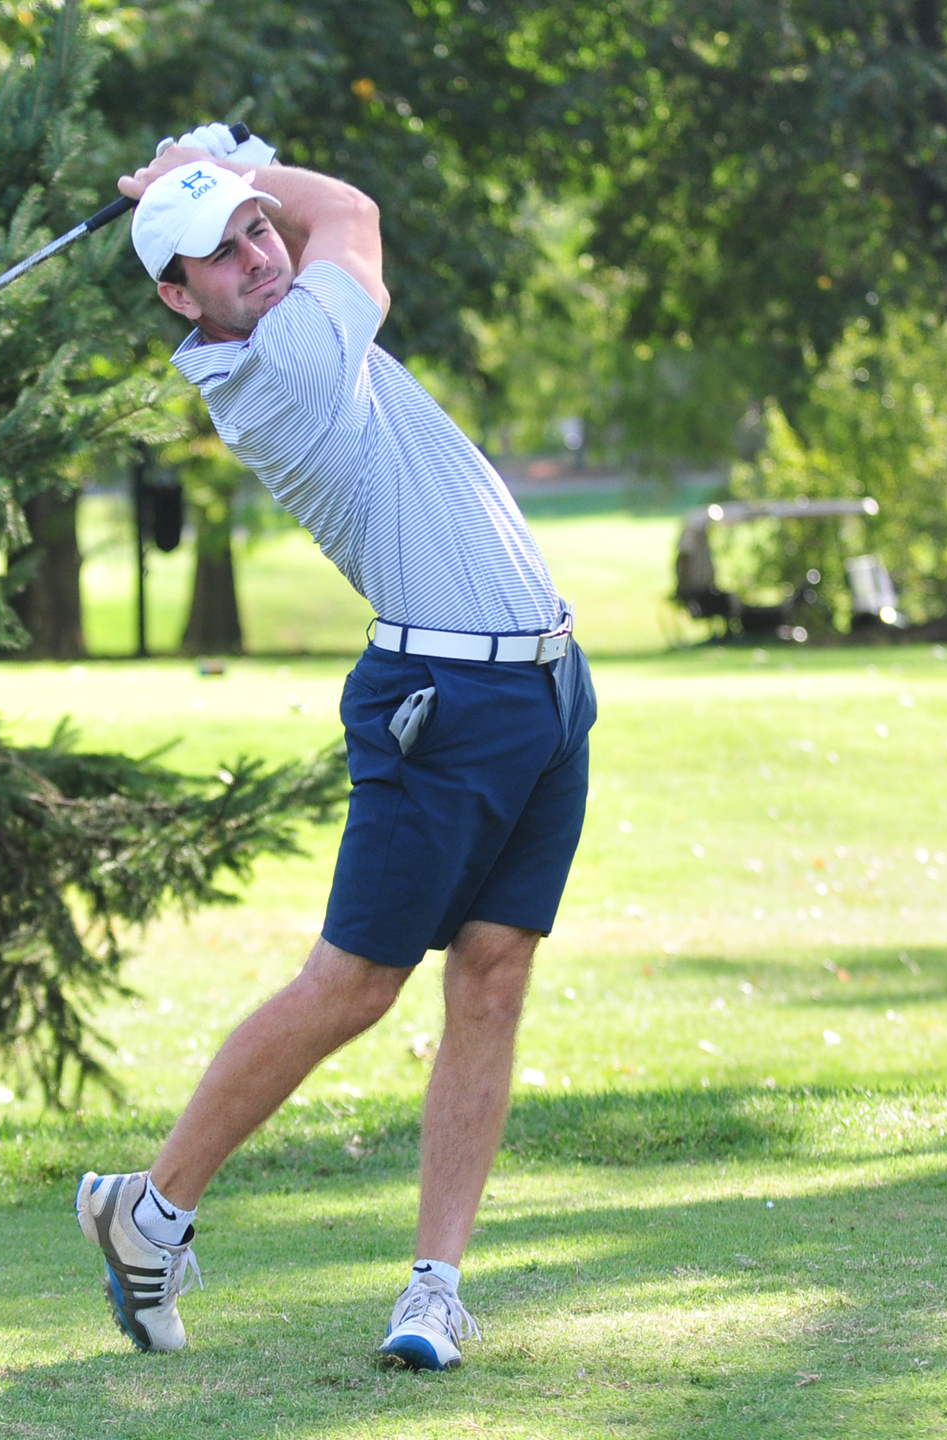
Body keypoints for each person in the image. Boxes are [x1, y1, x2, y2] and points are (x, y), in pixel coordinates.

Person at [76, 123, 596, 1372]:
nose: (257, 253)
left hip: (545, 690)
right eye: (221, 251)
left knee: (494, 976)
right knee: (355, 986)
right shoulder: (281, 366)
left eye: (257, 230)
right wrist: (227, 163)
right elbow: (349, 214)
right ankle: (152, 1213)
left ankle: (433, 1292)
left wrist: (219, 167)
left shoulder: (294, 313)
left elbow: (311, 225)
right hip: (442, 704)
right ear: (179, 297)